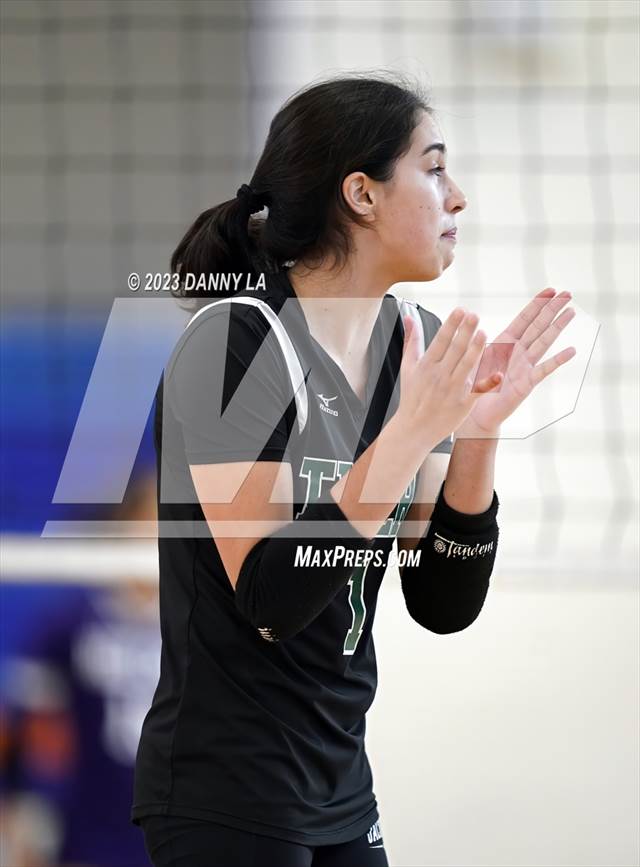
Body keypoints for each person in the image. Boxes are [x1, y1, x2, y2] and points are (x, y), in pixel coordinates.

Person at [131, 72, 576, 867]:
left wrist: (475, 434)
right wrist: (411, 432)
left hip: (341, 784)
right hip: (224, 789)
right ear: (361, 194)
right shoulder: (236, 342)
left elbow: (442, 602)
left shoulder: (412, 342)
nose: (458, 197)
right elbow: (270, 599)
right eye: (434, 169)